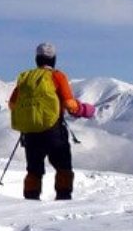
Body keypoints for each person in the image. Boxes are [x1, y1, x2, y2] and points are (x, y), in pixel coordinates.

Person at [8, 42, 94, 200]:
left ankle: (31, 200)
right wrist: (86, 110)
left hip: (30, 133)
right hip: (53, 131)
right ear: (53, 59)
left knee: (33, 170)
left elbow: (12, 104)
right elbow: (70, 104)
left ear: (37, 59)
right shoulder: (57, 76)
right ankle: (63, 198)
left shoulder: (25, 78)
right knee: (63, 168)